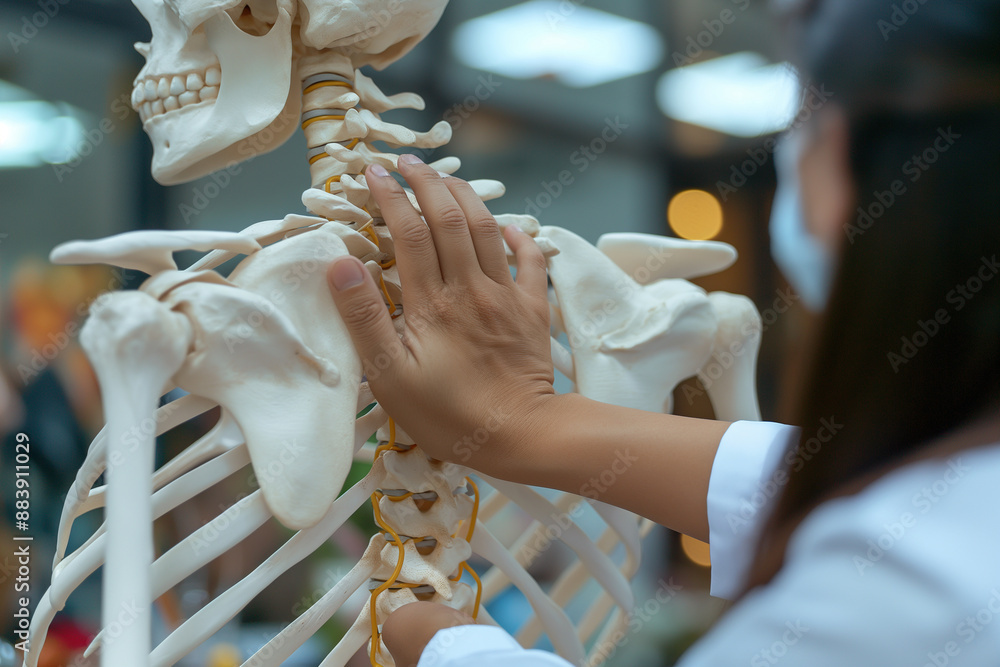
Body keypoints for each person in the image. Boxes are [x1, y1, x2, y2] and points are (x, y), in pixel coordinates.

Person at [324, 0, 1000, 664]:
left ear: (851, 158)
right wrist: (526, 423)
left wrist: (446, 647)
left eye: (803, 120)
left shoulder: (912, 577)